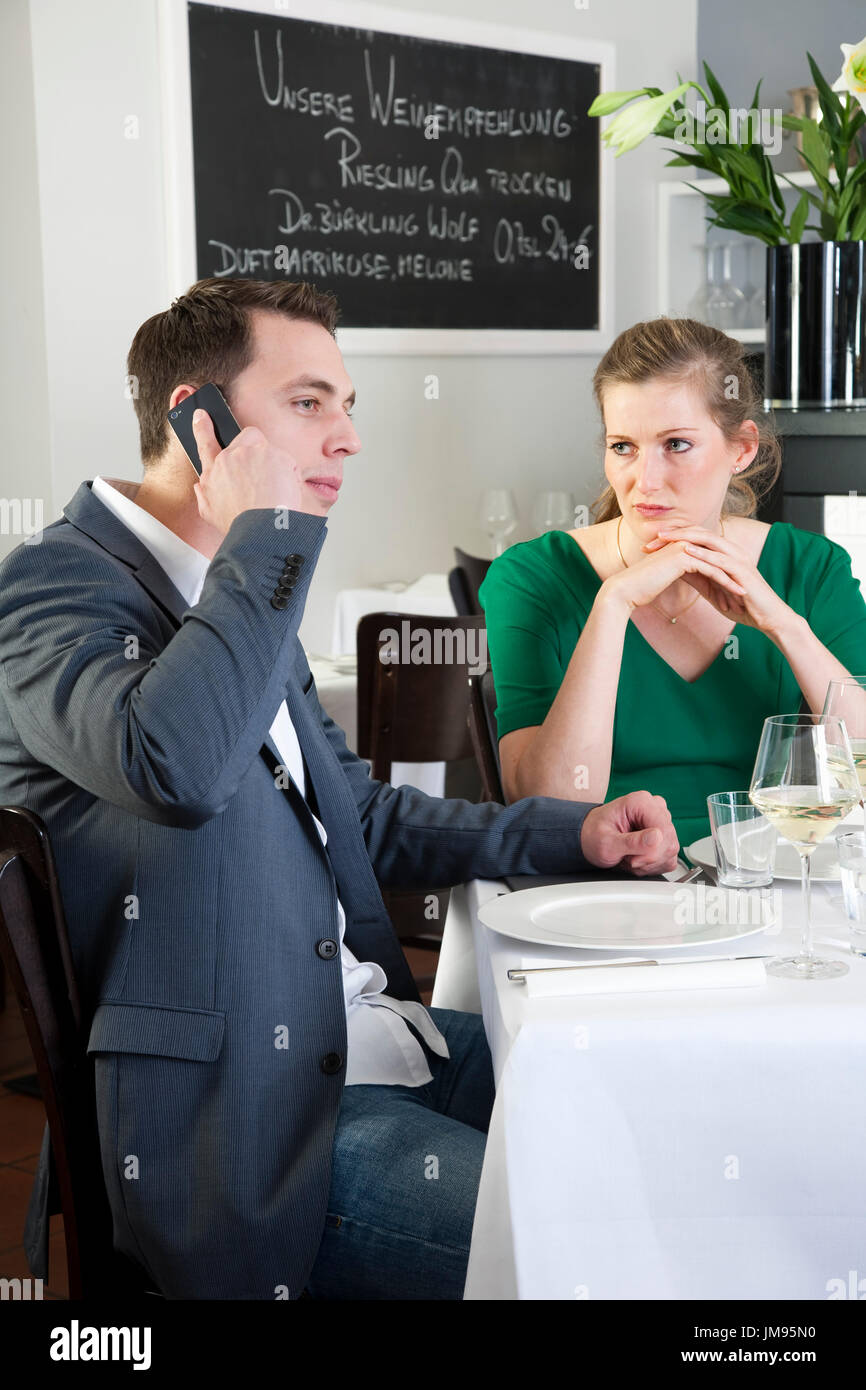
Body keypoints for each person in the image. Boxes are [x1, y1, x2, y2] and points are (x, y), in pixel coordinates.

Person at [0, 278, 678, 1301]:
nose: (348, 437)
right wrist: (264, 538)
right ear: (201, 421)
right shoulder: (52, 587)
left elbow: (355, 815)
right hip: (251, 1125)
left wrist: (570, 833)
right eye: (310, 402)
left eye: (347, 405)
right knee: (600, 1260)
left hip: (375, 1038)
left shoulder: (236, 581)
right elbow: (171, 768)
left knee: (665, 1138)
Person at [480, 317, 866, 850]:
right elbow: (550, 806)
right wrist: (613, 604)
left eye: (676, 444)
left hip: (770, 877)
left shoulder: (811, 568)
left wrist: (781, 622)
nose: (645, 480)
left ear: (741, 449)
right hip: (599, 890)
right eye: (623, 447)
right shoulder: (531, 578)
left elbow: (862, 774)